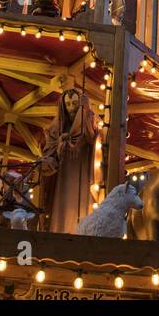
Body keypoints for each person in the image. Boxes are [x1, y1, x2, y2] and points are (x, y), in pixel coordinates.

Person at [40, 87, 98, 233]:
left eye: (75, 104)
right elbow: (48, 150)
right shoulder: (56, 127)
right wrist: (59, 144)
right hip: (61, 177)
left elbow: (93, 138)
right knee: (61, 207)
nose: (71, 108)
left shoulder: (87, 122)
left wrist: (87, 109)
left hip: (82, 173)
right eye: (68, 104)